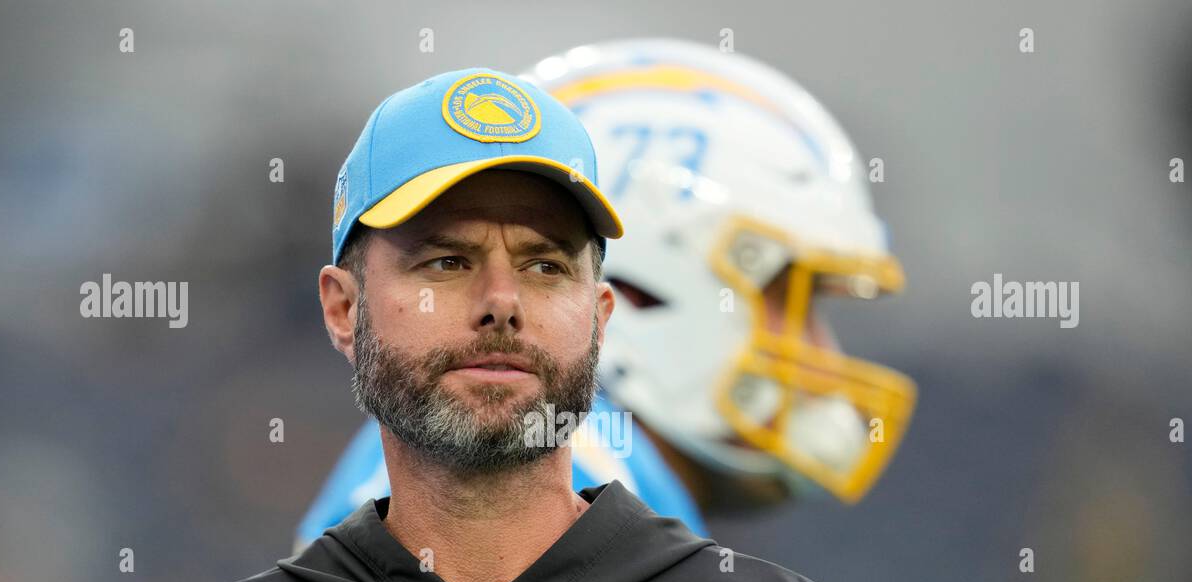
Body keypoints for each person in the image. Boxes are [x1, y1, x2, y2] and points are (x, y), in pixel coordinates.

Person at [82, 65, 919, 582]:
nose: (501, 302)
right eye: (445, 261)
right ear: (343, 308)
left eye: (544, 263)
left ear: (600, 315)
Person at [295, 38, 917, 551]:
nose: (820, 352)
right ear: (646, 293)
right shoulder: (557, 517)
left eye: (541, 265)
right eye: (791, 303)